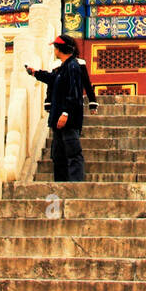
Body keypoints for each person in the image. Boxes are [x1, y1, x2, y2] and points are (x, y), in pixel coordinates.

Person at [25, 35, 88, 182]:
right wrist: (36, 73)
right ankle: (61, 182)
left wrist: (65, 113)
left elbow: (74, 93)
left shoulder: (73, 67)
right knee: (58, 154)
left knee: (73, 151)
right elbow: (53, 79)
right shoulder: (64, 67)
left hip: (68, 120)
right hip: (58, 118)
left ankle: (75, 183)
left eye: (55, 47)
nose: (54, 50)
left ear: (60, 49)